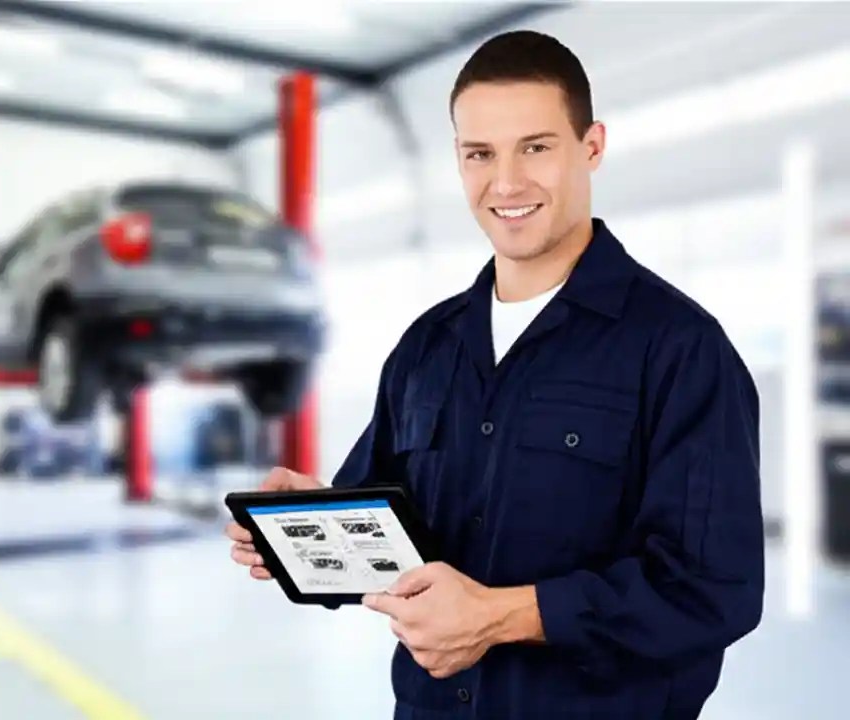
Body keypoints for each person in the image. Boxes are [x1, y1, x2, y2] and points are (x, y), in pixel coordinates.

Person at [226, 29, 764, 719]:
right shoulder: (427, 347)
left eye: (535, 148)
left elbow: (712, 589)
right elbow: (385, 533)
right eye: (480, 154)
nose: (506, 183)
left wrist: (500, 615)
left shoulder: (680, 349)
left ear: (592, 147)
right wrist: (304, 525)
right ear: (458, 161)